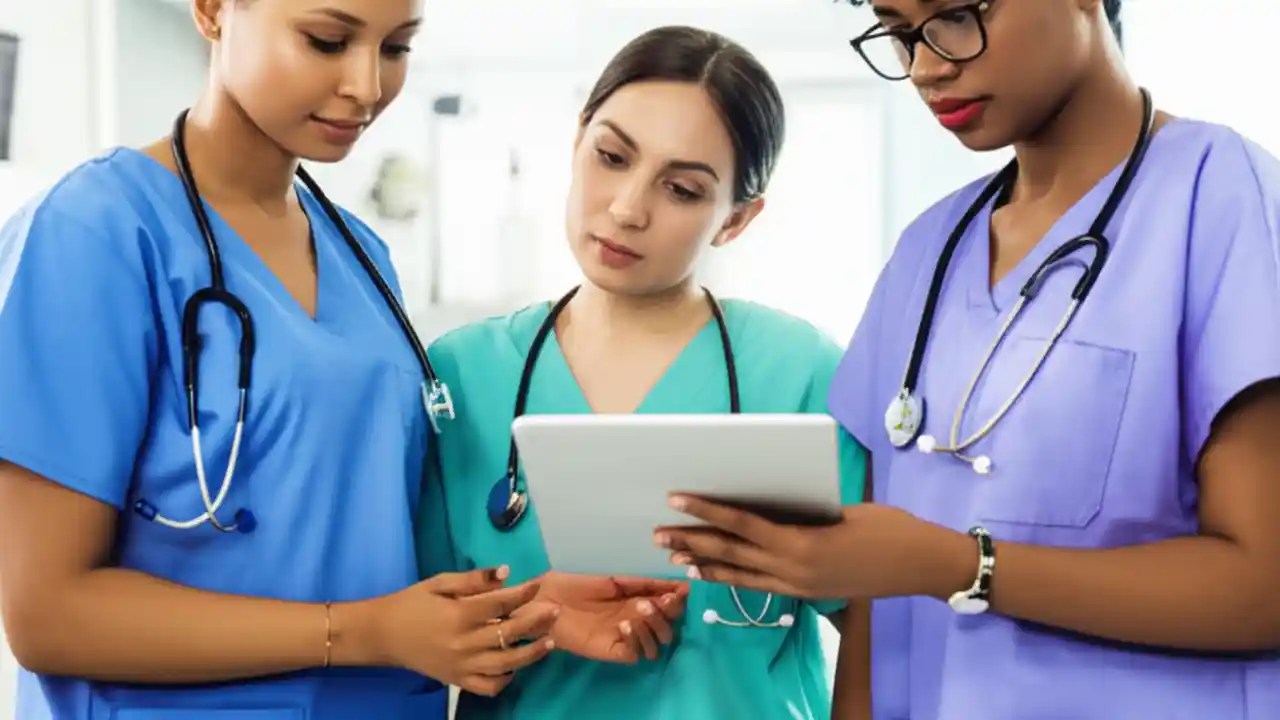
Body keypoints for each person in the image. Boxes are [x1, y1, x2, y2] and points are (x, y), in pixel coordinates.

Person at [0, 1, 664, 718]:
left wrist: (524, 608)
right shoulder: (95, 232)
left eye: (396, 48)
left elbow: (353, 547)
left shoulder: (362, 255)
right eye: (327, 40)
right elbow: (47, 615)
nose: (366, 86)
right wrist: (364, 633)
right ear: (213, 10)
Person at [654, 1, 1280, 718]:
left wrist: (957, 565)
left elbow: (1265, 587)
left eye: (955, 14)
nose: (927, 66)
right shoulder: (928, 251)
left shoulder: (1222, 199)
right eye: (899, 32)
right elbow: (873, 610)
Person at [417, 25, 869, 720]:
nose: (628, 208)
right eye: (611, 156)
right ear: (578, 141)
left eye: (682, 190)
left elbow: (875, 619)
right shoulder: (462, 374)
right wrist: (533, 616)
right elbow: (417, 626)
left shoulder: (802, 374)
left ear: (736, 220)